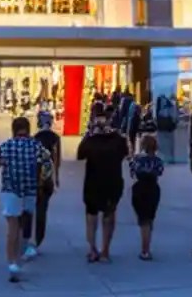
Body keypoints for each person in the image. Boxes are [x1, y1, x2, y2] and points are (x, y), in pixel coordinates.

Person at [0, 116, 52, 283]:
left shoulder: (5, 146)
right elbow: (48, 164)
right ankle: (24, 249)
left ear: (13, 130)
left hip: (11, 190)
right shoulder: (37, 146)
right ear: (28, 130)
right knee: (25, 222)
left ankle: (12, 263)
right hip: (30, 190)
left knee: (12, 227)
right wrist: (41, 182)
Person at [77, 102, 129, 263]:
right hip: (112, 182)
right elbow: (125, 154)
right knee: (108, 216)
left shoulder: (91, 140)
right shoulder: (118, 140)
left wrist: (89, 134)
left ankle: (93, 249)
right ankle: (105, 249)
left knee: (91, 217)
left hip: (93, 182)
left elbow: (80, 154)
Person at [28, 110, 61, 253]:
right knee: (42, 209)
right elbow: (57, 159)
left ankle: (27, 238)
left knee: (30, 208)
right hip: (47, 177)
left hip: (34, 177)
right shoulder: (55, 138)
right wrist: (56, 177)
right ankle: (38, 238)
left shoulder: (35, 138)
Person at [128, 134, 164, 261]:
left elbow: (132, 172)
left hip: (139, 188)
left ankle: (145, 249)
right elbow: (160, 172)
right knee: (149, 218)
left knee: (143, 219)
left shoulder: (137, 159)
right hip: (153, 188)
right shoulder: (158, 161)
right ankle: (147, 246)